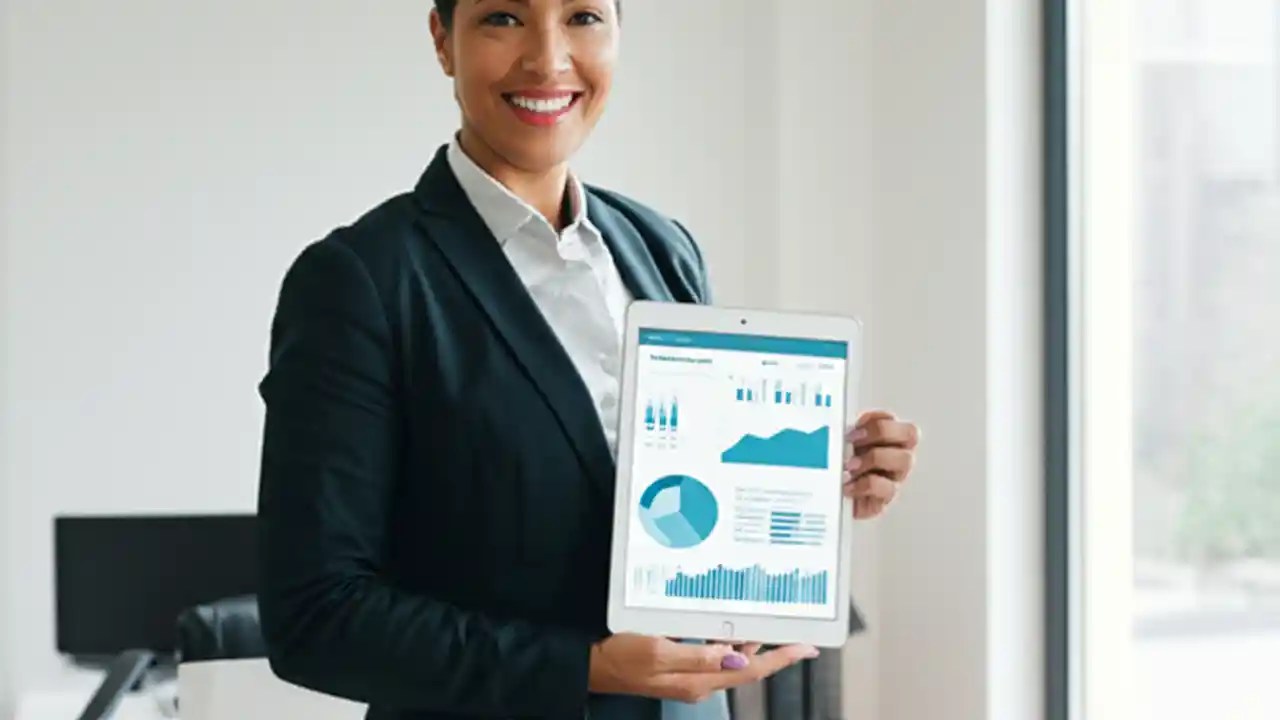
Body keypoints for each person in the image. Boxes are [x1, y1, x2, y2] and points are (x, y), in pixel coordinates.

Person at [255, 1, 921, 719]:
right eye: (503, 17)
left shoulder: (661, 247)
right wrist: (585, 667)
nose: (548, 59)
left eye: (582, 16)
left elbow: (677, 523)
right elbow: (315, 619)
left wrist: (815, 489)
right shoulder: (362, 281)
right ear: (443, 40)